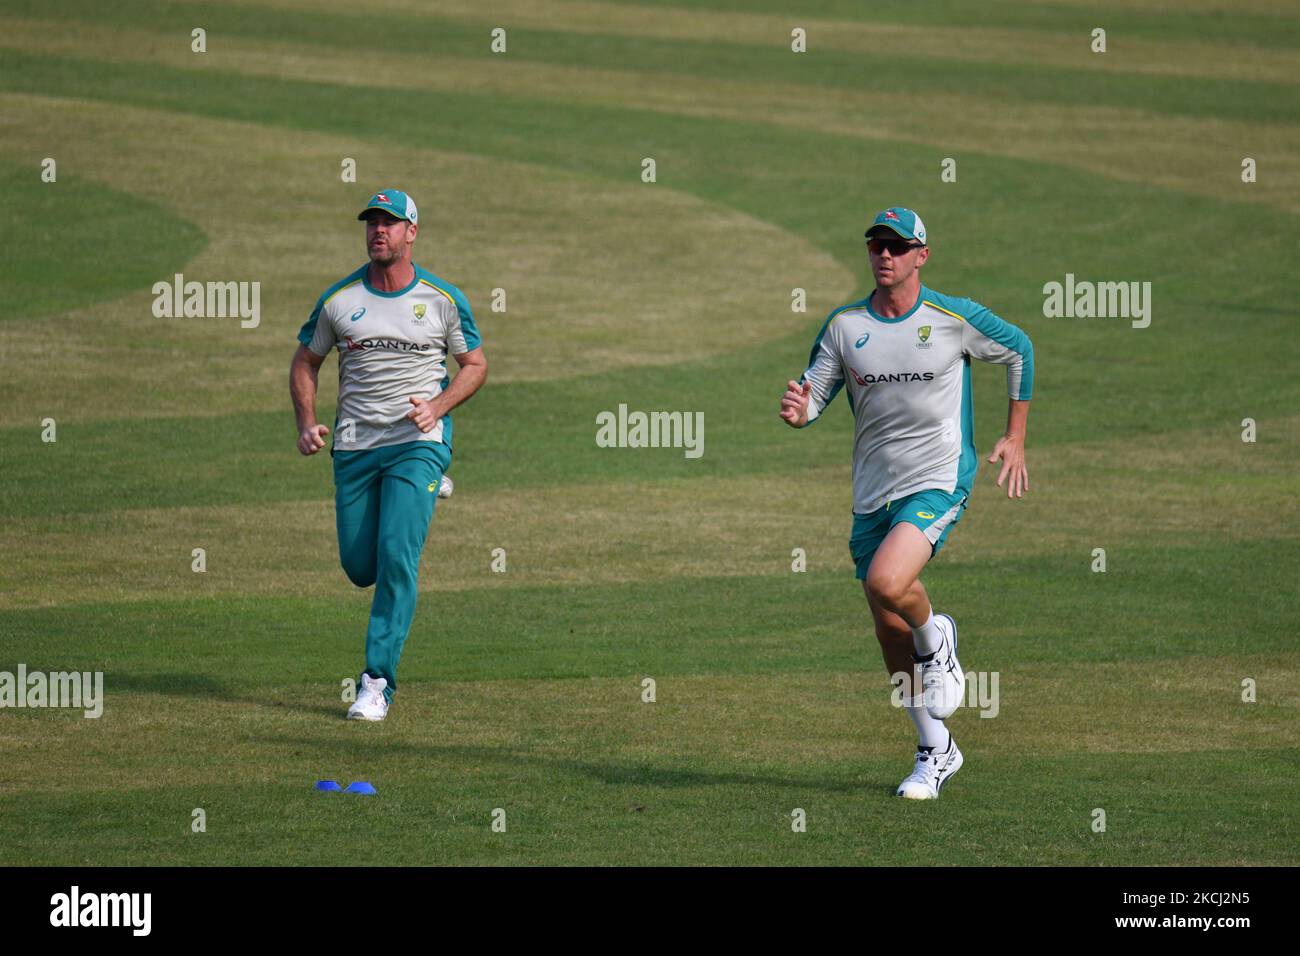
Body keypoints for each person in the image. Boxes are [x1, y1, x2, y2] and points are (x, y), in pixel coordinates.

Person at [779, 207, 1033, 798]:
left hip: (939, 479)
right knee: (888, 630)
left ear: (922, 254)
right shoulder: (845, 327)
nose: (884, 255)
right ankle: (934, 750)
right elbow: (813, 393)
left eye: (896, 246)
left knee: (888, 582)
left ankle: (937, 634)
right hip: (872, 493)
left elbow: (1019, 349)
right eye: (875, 245)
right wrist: (799, 412)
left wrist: (1015, 434)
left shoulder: (953, 318)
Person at [290, 189, 487, 721]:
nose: (379, 231)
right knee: (361, 567)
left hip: (416, 443)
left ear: (411, 233)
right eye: (372, 223)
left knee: (398, 555)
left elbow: (475, 365)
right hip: (355, 445)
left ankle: (375, 684)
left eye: (390, 223)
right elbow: (306, 361)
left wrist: (438, 407)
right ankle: (420, 498)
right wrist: (307, 424)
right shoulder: (339, 300)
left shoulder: (443, 299)